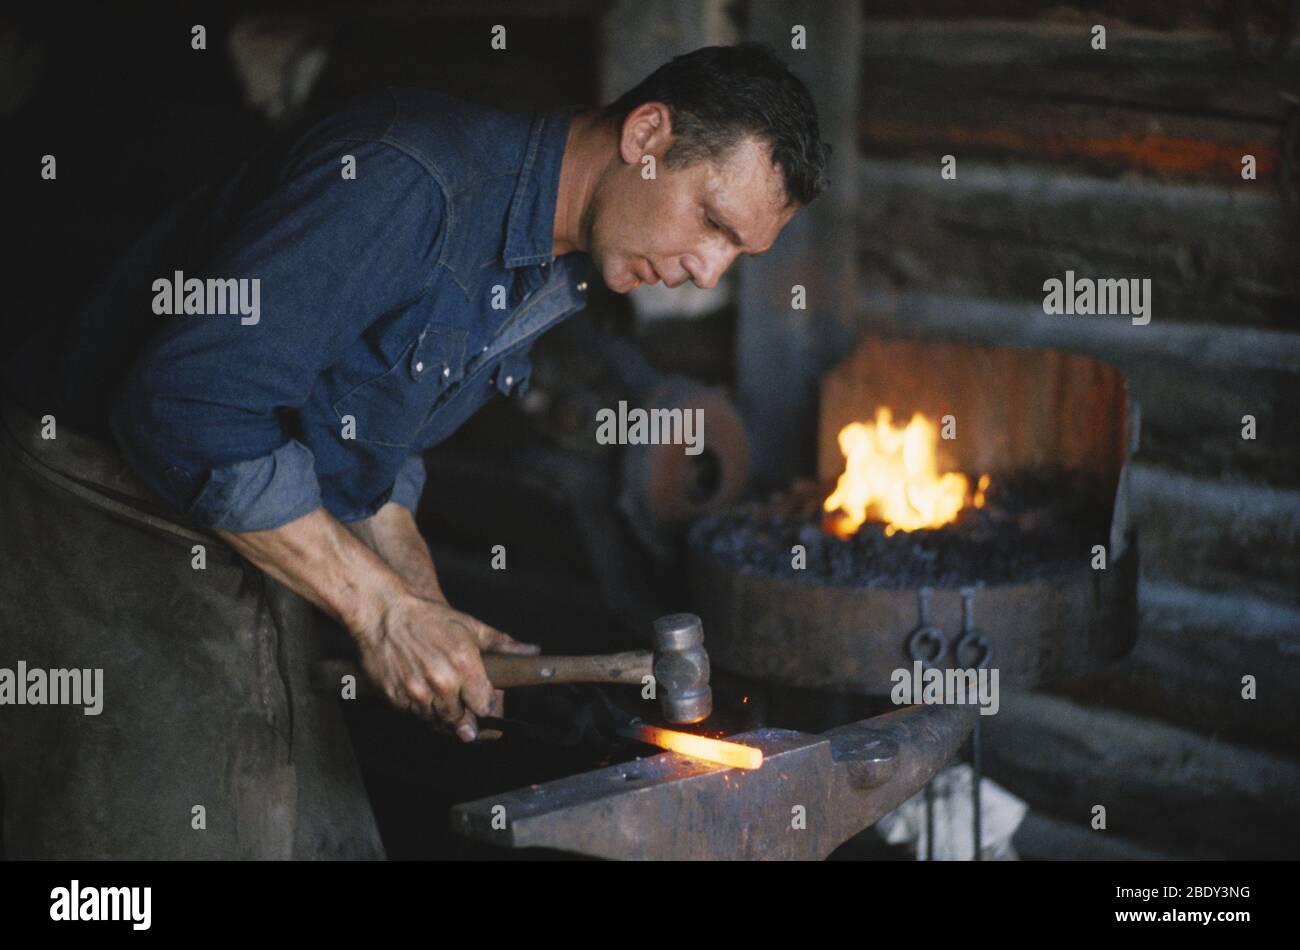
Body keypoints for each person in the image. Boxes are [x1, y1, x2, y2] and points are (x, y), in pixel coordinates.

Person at [0, 42, 828, 858]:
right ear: (646, 135)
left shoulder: (560, 265)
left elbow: (372, 433)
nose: (706, 272)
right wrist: (381, 612)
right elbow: (186, 407)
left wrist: (420, 599)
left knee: (319, 834)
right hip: (99, 525)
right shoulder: (409, 181)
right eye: (711, 222)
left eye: (737, 253)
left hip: (249, 538)